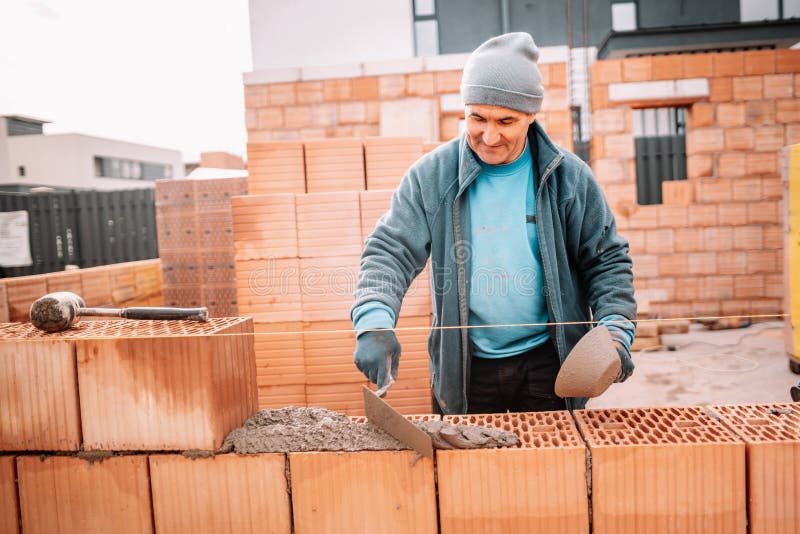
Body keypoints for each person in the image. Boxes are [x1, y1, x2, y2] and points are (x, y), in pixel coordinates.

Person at [351, 32, 636, 415]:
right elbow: (391, 251)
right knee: (472, 475)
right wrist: (374, 321)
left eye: (506, 121)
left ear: (531, 116)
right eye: (477, 118)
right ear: (464, 110)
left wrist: (616, 330)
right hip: (466, 369)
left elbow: (606, 261)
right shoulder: (432, 177)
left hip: (550, 364)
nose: (489, 135)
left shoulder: (567, 178)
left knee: (547, 473)